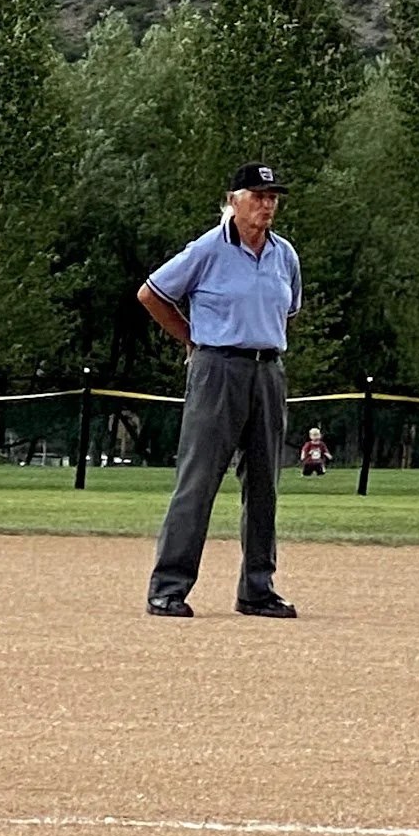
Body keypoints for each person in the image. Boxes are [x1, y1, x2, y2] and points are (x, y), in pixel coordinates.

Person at [138, 164, 302, 619]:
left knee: (265, 483)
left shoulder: (284, 254)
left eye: (273, 197)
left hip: (267, 369)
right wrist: (192, 338)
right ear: (234, 199)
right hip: (217, 367)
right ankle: (168, 587)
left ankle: (257, 588)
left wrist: (262, 336)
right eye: (258, 194)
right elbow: (151, 294)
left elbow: (290, 311)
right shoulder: (208, 249)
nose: (267, 203)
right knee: (198, 479)